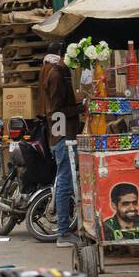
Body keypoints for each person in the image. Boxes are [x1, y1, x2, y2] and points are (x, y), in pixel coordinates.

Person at [38, 42, 82, 248]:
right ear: (61, 54)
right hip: (62, 135)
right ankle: (64, 232)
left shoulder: (47, 70)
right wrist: (80, 108)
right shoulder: (56, 72)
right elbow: (56, 111)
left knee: (65, 181)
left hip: (58, 135)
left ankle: (67, 229)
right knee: (65, 182)